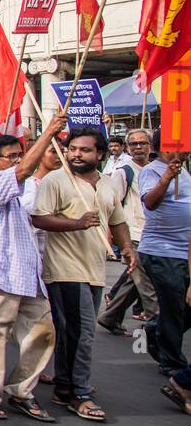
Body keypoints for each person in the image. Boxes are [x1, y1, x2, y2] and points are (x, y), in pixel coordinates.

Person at [31, 127, 136, 422]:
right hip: (65, 268)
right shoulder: (55, 180)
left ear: (99, 154)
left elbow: (117, 220)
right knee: (84, 332)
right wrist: (76, 223)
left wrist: (127, 247)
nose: (75, 154)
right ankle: (80, 393)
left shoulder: (108, 183)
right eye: (72, 148)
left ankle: (65, 386)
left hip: (95, 268)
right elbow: (39, 217)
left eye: (84, 150)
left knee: (73, 331)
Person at [0, 112, 68, 422]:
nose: (16, 161)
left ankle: (21, 390)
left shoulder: (26, 188)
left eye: (18, 156)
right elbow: (25, 170)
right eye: (9, 157)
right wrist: (49, 130)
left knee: (43, 333)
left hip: (27, 276)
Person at [136, 146, 190, 377]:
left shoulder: (184, 170)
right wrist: (167, 177)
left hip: (184, 250)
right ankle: (172, 361)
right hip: (162, 251)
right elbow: (150, 202)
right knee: (173, 306)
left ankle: (156, 330)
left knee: (183, 305)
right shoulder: (152, 171)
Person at [98, 127, 158, 334]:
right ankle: (156, 325)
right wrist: (112, 235)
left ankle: (110, 316)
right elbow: (112, 205)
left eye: (142, 143)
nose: (138, 147)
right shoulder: (124, 171)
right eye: (133, 144)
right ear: (127, 148)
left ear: (150, 146)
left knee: (135, 280)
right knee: (147, 284)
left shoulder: (154, 169)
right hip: (133, 233)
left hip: (152, 232)